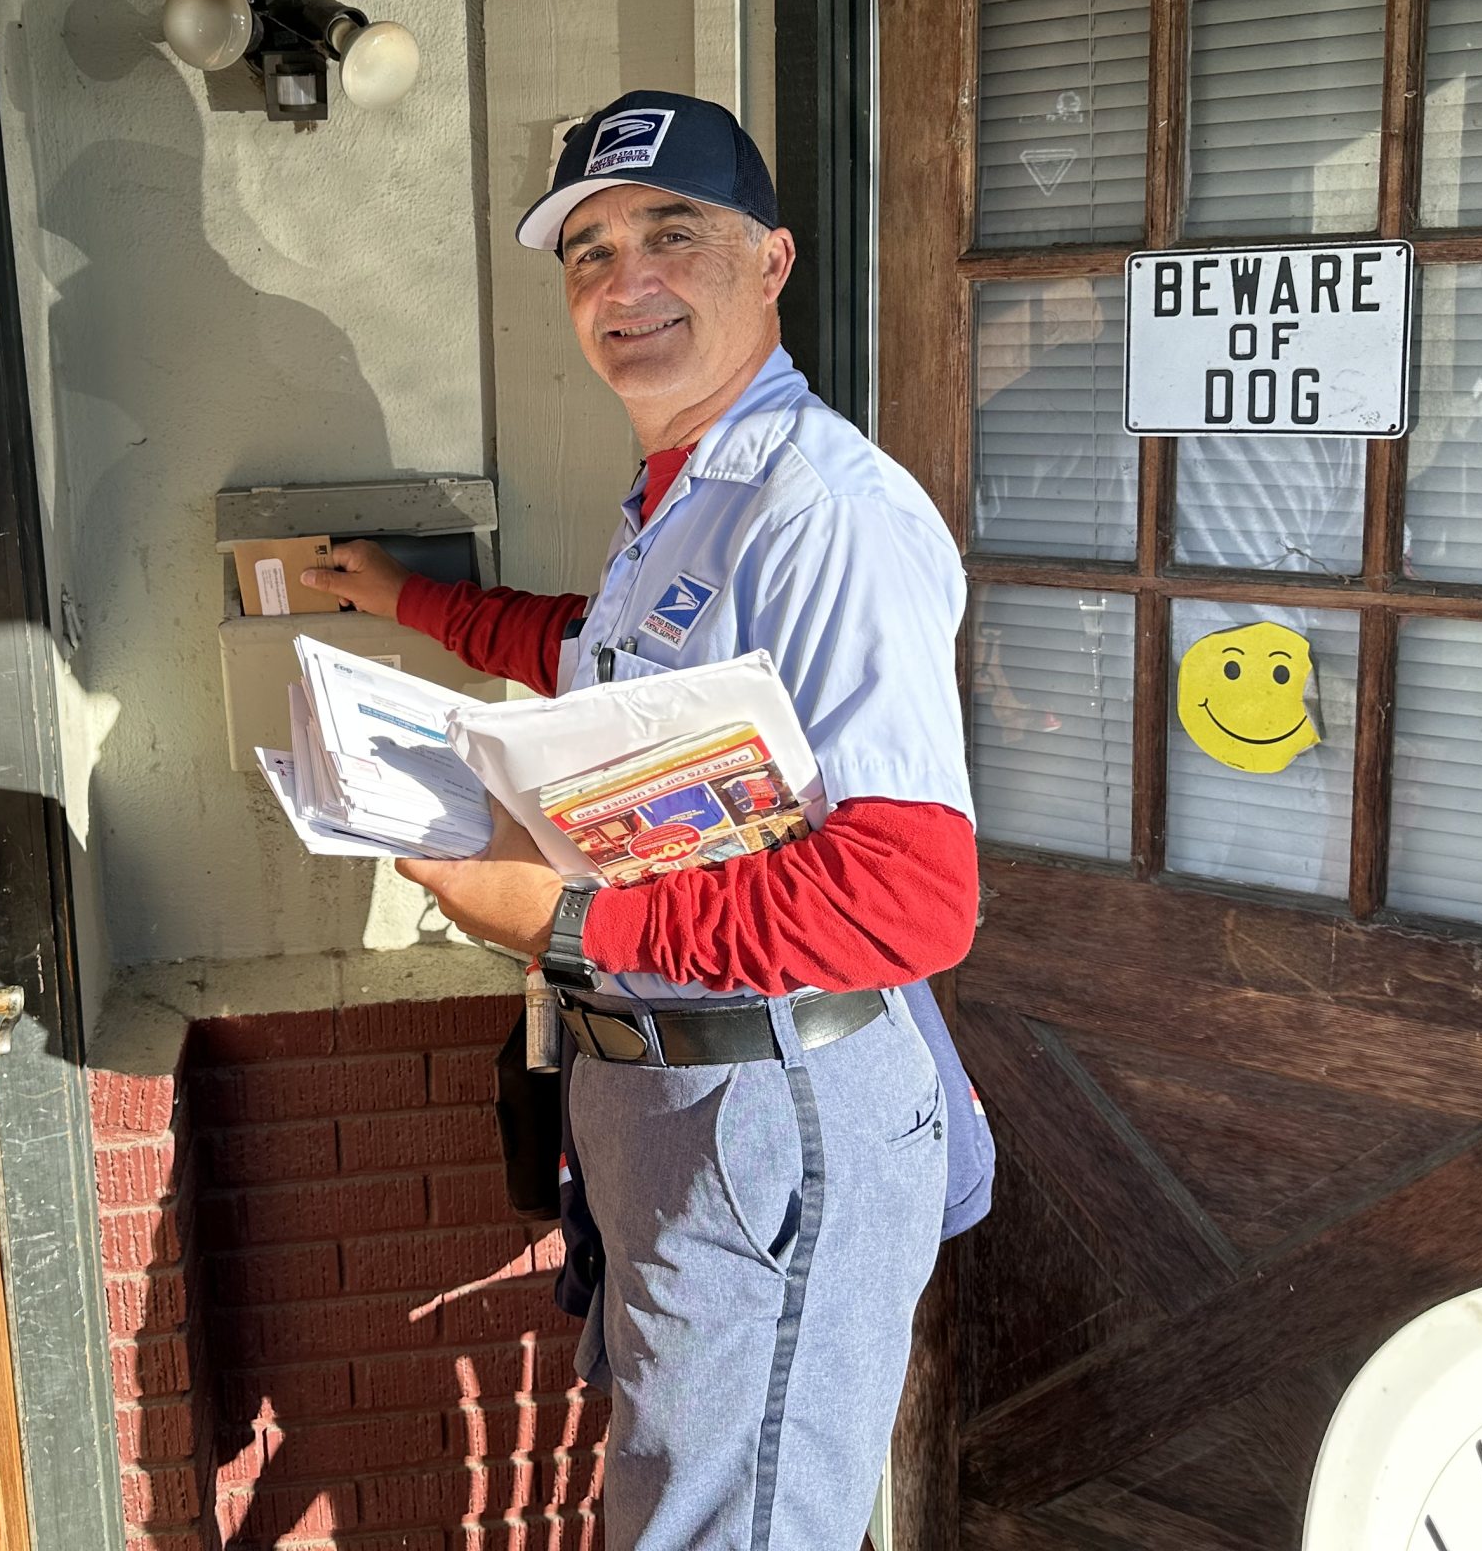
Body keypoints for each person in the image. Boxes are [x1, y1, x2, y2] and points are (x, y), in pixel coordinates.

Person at [301, 91, 986, 1550]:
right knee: (683, 1497)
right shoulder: (687, 486)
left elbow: (911, 899)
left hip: (774, 1094)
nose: (625, 285)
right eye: (589, 252)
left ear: (772, 261)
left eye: (673, 235)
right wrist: (410, 600)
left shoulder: (824, 515)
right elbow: (603, 659)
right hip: (662, 1085)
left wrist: (561, 920)